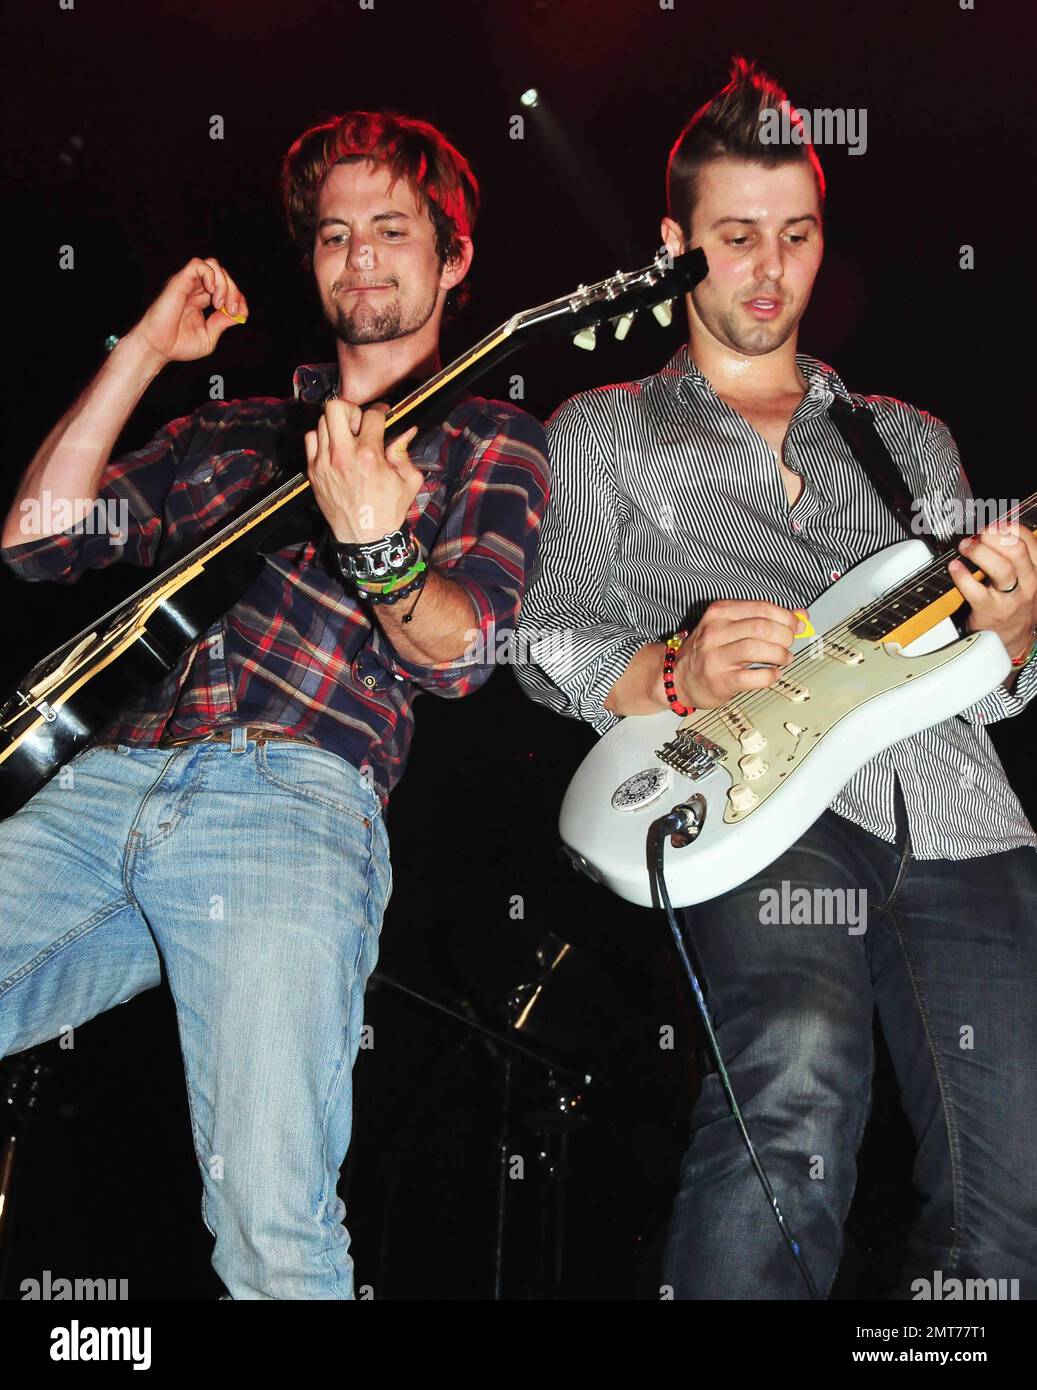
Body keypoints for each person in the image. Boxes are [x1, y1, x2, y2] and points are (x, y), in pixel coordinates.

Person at [0, 110, 549, 1300]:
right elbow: (39, 541)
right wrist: (143, 350)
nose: (357, 257)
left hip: (289, 800)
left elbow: (460, 653)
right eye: (334, 235)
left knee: (267, 1223)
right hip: (101, 784)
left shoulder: (491, 436)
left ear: (452, 259)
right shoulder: (236, 430)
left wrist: (383, 549)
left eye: (390, 231)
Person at [515, 59, 1037, 1299]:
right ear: (672, 245)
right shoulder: (601, 428)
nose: (767, 269)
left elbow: (977, 672)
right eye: (734, 237)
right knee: (794, 1089)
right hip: (755, 806)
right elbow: (541, 630)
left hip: (962, 821)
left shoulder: (907, 439)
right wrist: (670, 668)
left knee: (1007, 1200)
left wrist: (1014, 633)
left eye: (794, 236)